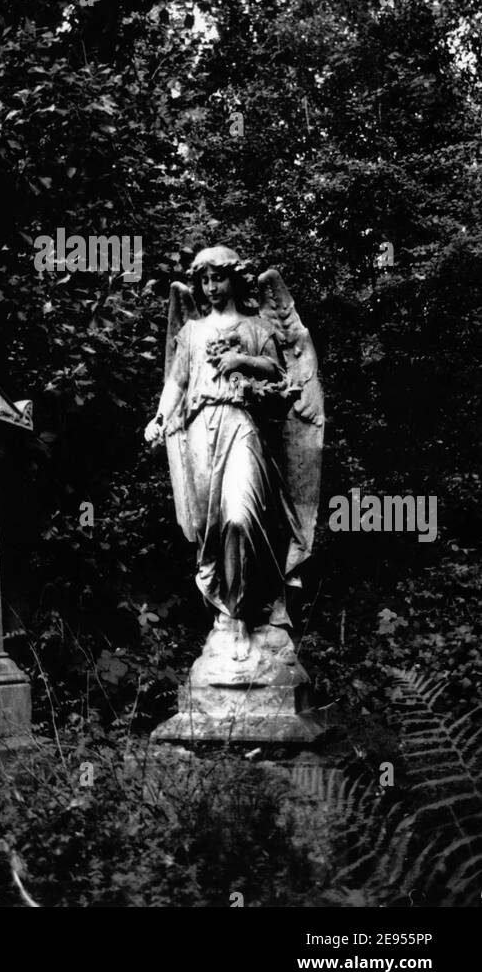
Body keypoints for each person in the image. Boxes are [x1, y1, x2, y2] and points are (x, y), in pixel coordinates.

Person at [144, 245, 301, 661]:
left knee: (239, 516)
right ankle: (228, 619)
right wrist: (160, 418)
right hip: (200, 429)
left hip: (241, 424)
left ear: (234, 279)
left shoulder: (256, 326)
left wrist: (241, 360)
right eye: (205, 280)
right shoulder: (192, 332)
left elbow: (279, 372)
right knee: (209, 525)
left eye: (219, 278)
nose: (211, 287)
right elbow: (176, 383)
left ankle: (246, 615)